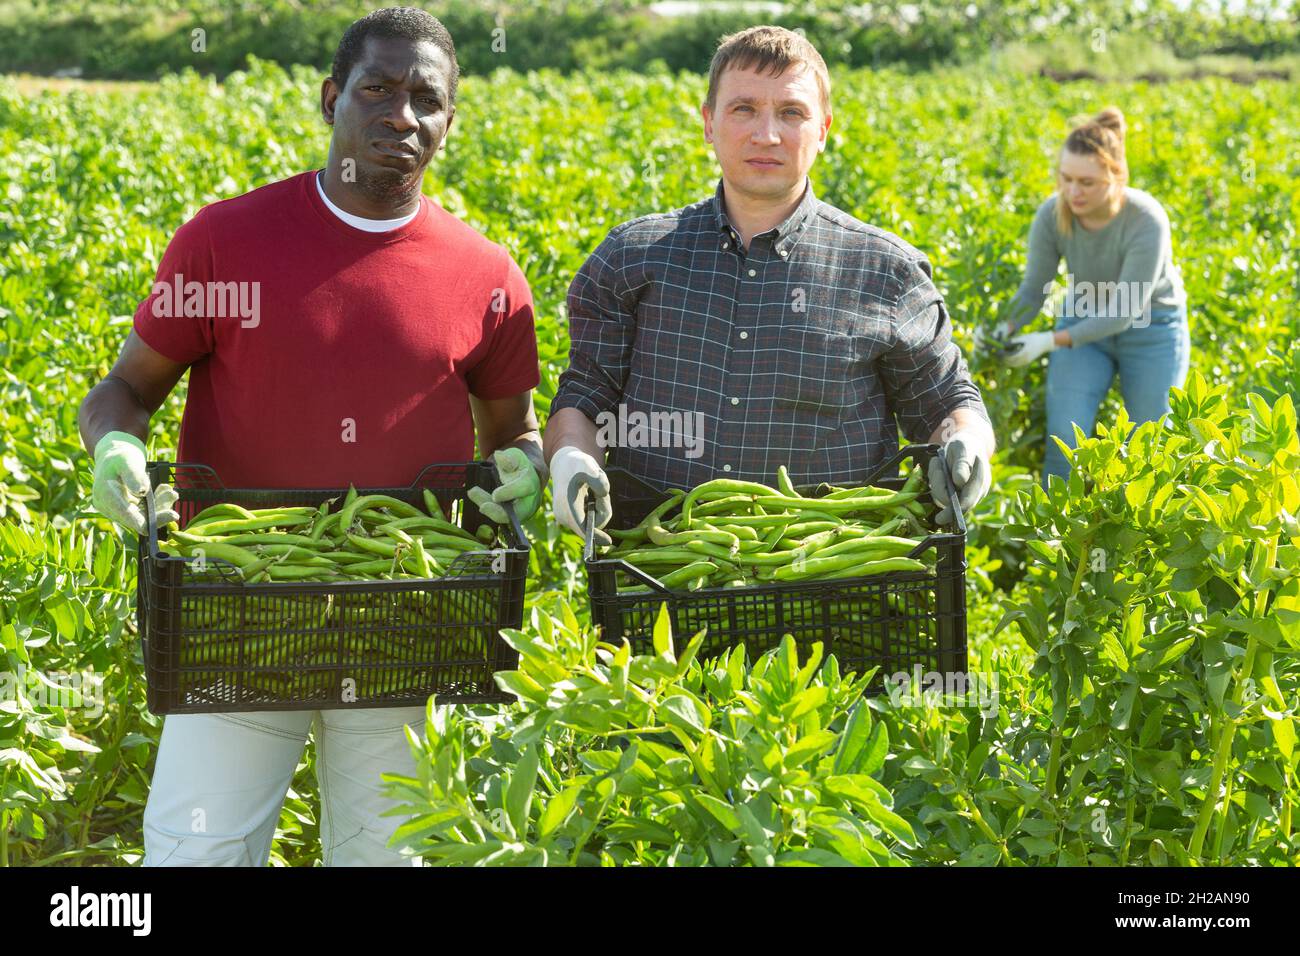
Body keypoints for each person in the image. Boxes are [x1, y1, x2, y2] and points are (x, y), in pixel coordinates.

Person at [77, 7, 544, 866]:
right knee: (195, 852)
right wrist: (117, 447)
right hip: (236, 609)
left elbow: (512, 429)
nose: (400, 114)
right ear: (330, 99)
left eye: (425, 99)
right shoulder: (225, 242)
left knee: (386, 855)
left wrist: (529, 464)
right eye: (376, 89)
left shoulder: (487, 276)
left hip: (406, 614)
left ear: (450, 121)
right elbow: (125, 390)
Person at [544, 25, 995, 540]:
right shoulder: (632, 258)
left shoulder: (885, 271)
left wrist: (968, 443)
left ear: (823, 129)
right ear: (708, 123)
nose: (767, 135)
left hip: (837, 584)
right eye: (743, 109)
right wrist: (571, 459)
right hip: (657, 575)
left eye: (791, 112)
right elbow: (584, 397)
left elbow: (944, 403)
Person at [990, 106, 1190, 489]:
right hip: (1082, 323)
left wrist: (1048, 341)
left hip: (1152, 329)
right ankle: (1055, 544)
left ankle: (1139, 545)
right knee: (1065, 444)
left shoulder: (1146, 219)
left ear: (1117, 177)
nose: (1073, 192)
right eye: (1066, 179)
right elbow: (1034, 290)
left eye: (1087, 182)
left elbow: (1124, 312)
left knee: (1150, 447)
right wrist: (1007, 325)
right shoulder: (1052, 215)